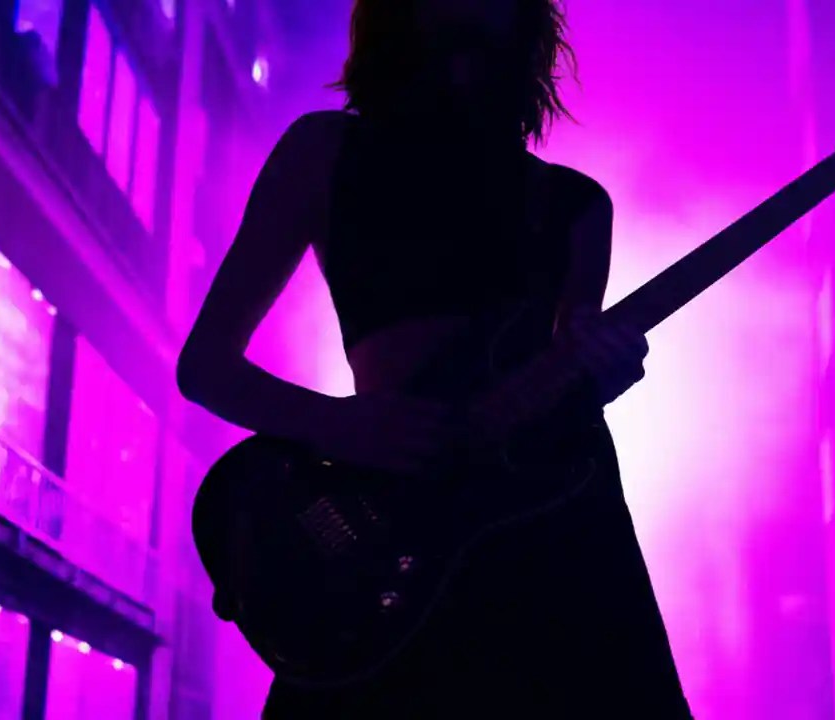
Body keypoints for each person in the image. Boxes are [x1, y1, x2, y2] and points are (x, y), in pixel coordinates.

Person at [176, 0, 691, 717]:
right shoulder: (325, 152)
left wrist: (604, 373)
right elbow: (204, 367)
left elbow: (568, 375)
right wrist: (338, 426)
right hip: (396, 537)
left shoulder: (575, 205)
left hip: (560, 534)